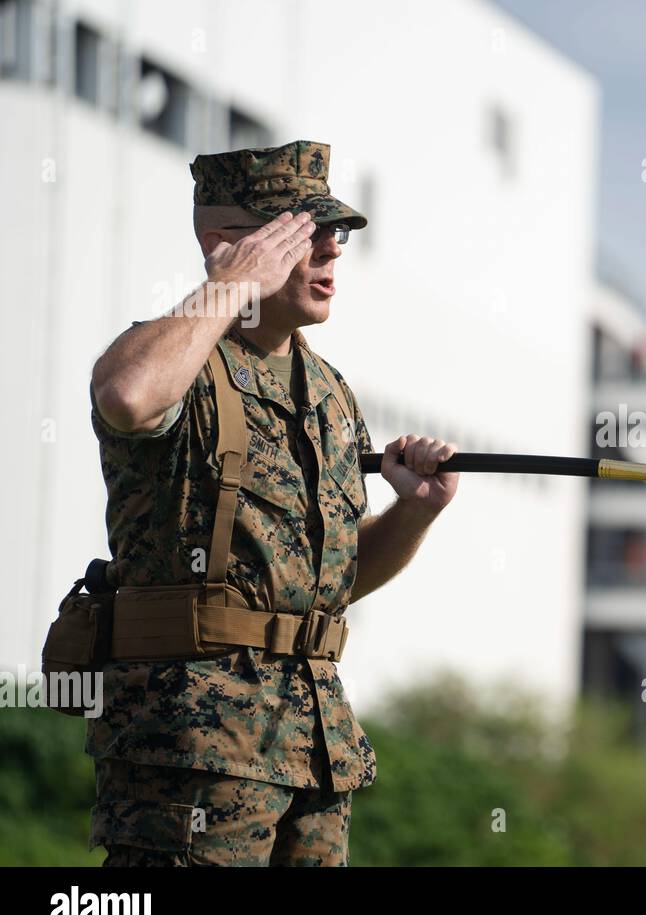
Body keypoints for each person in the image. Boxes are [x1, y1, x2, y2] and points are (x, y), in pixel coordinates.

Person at [87, 140, 458, 865]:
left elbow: (330, 586)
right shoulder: (174, 358)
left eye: (336, 234)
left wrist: (415, 511)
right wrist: (230, 288)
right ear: (227, 242)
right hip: (194, 753)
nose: (330, 252)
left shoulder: (330, 394)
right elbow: (127, 399)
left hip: (316, 751)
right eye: (302, 232)